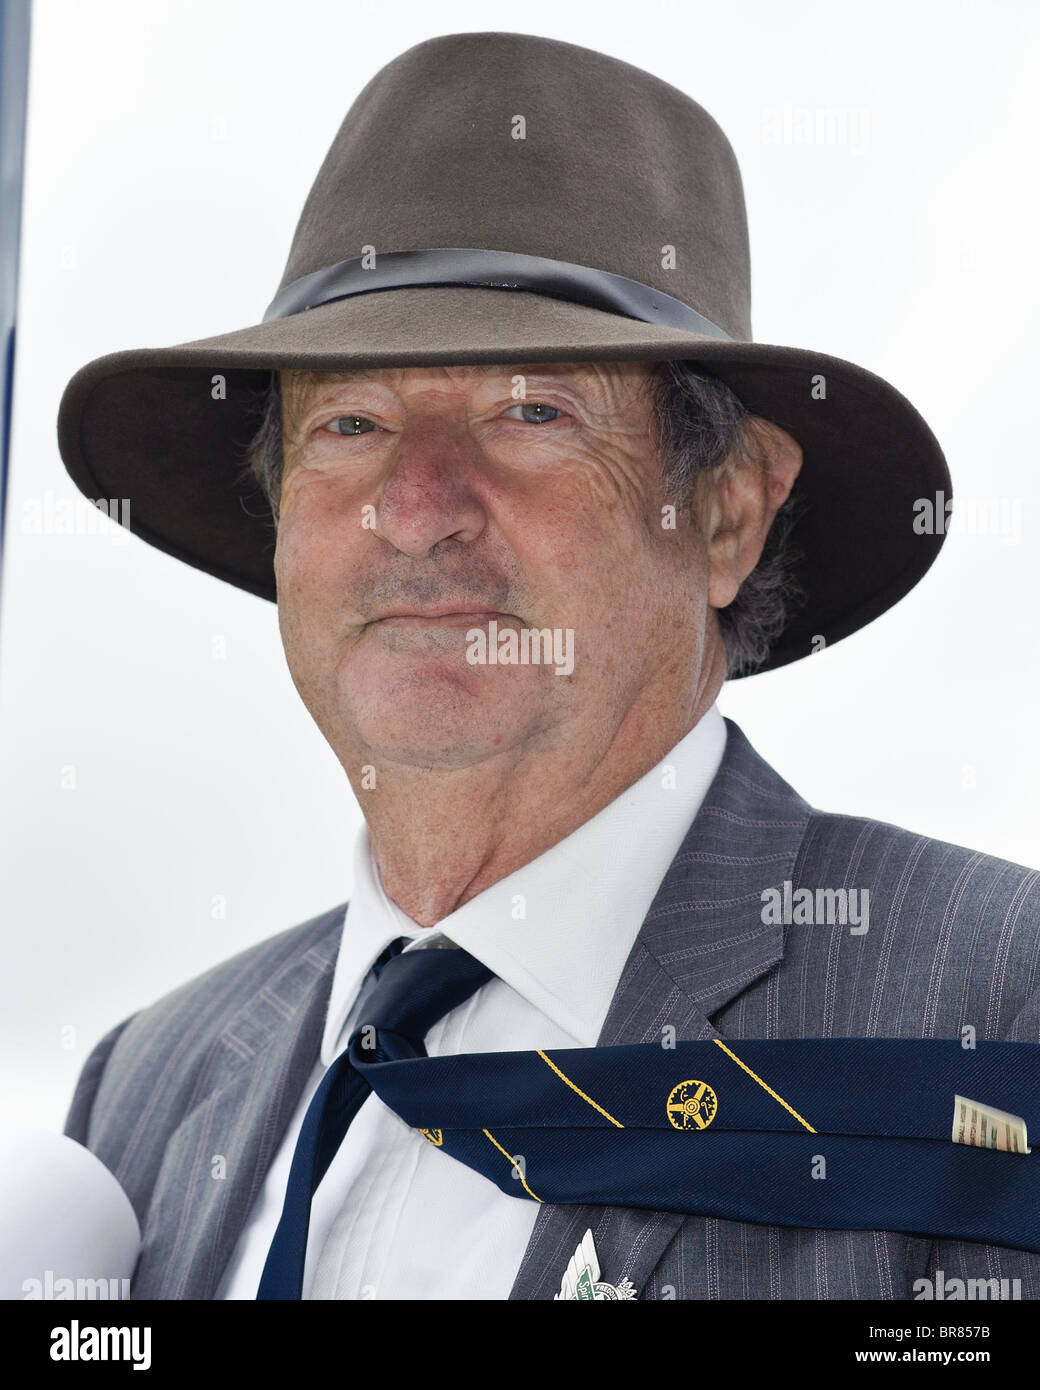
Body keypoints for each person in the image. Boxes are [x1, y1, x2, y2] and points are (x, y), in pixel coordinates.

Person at [57, 31, 1040, 1301]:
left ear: (726, 513)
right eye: (348, 426)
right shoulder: (142, 1088)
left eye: (531, 411)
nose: (415, 509)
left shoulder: (997, 1003)